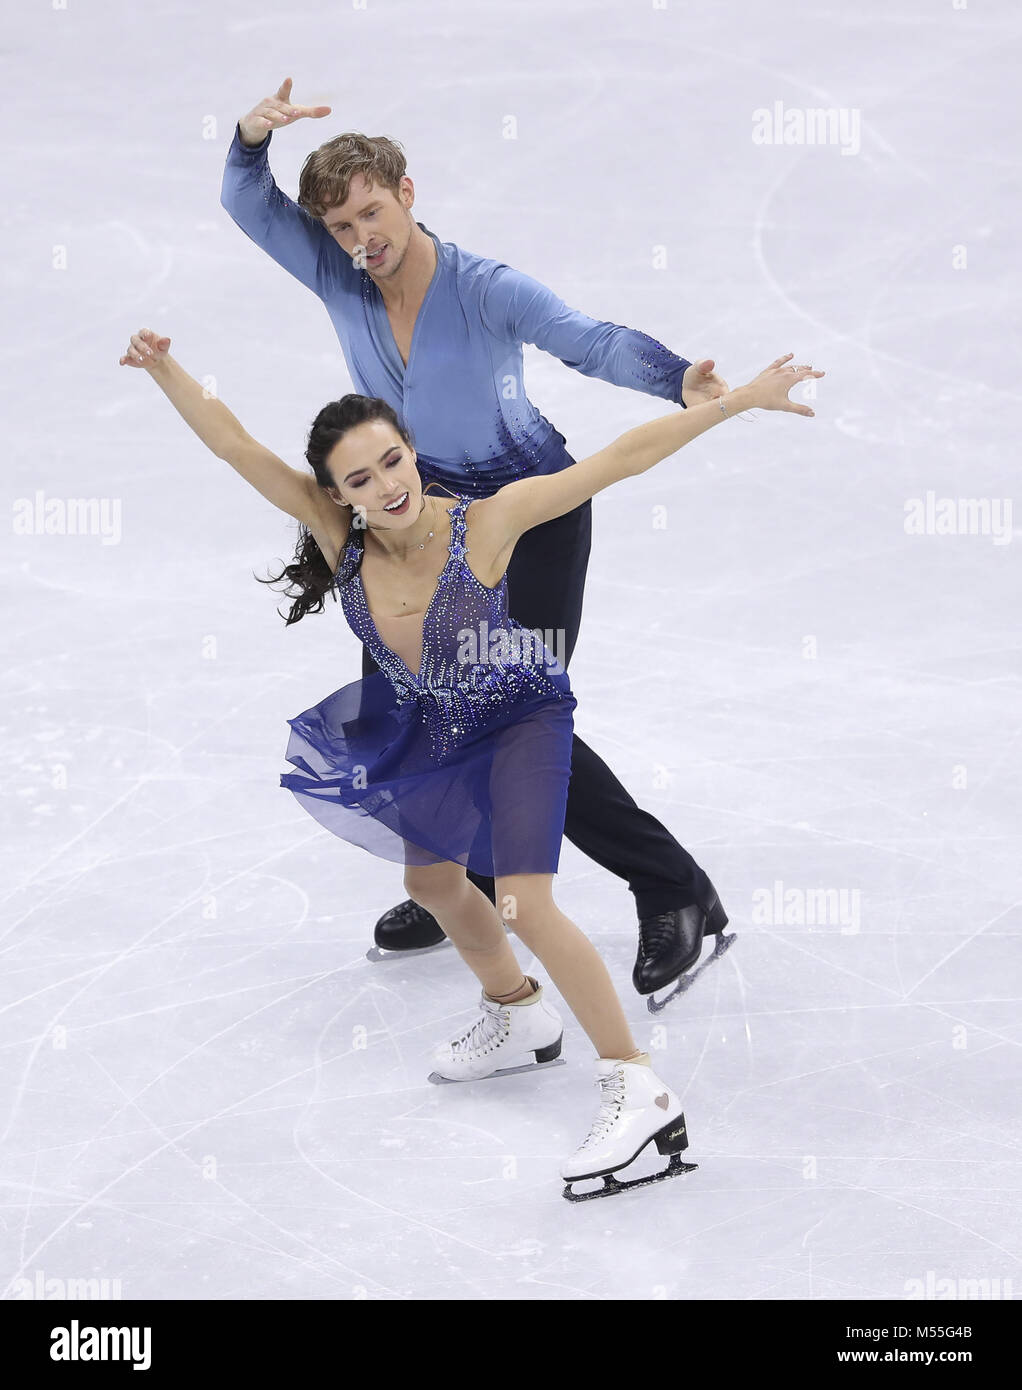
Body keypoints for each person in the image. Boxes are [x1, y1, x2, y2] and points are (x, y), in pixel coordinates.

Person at [118, 325, 823, 1195]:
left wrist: (739, 402)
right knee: (435, 884)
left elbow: (613, 462)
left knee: (525, 900)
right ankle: (520, 1016)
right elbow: (234, 446)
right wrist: (165, 369)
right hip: (435, 728)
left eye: (391, 461)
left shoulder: (484, 523)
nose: (386, 485)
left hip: (519, 720)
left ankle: (638, 1088)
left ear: (413, 453)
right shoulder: (342, 543)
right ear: (340, 495)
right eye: (360, 479)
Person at [219, 76, 733, 998]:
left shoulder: (484, 288)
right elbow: (244, 205)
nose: (361, 239)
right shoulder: (342, 277)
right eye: (341, 227)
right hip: (420, 524)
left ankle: (675, 887)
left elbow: (589, 341)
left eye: (372, 213)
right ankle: (464, 876)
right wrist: (251, 138)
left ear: (407, 195)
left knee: (515, 716)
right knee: (408, 707)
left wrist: (674, 379)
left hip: (527, 518)